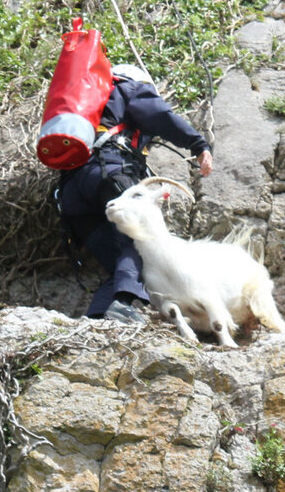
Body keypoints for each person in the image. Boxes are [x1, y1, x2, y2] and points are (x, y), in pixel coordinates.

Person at [54, 64, 213, 322]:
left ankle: (97, 318)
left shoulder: (88, 105)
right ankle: (124, 304)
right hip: (109, 174)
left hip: (72, 192)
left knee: (119, 260)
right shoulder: (127, 88)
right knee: (140, 242)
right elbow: (159, 115)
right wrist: (198, 145)